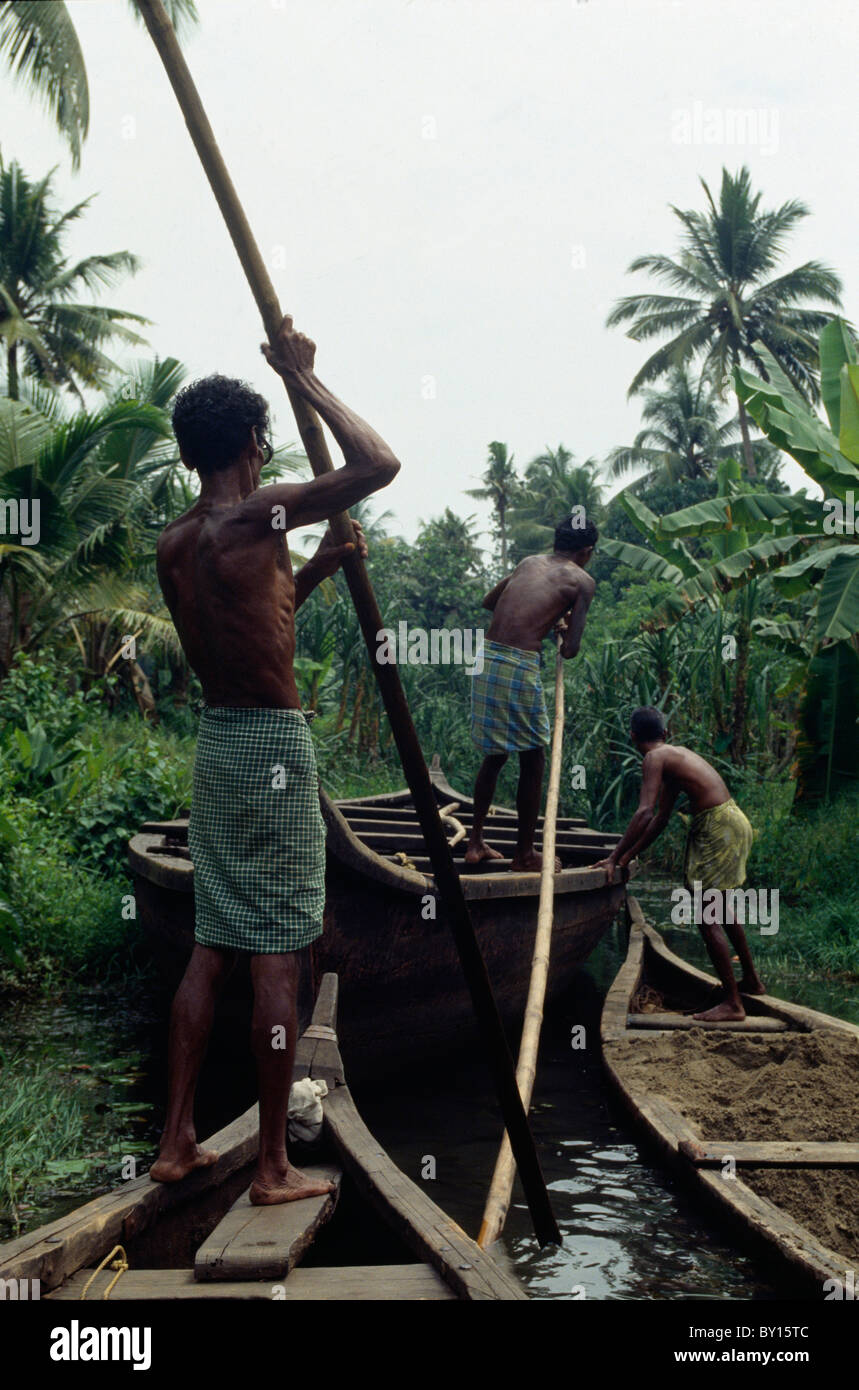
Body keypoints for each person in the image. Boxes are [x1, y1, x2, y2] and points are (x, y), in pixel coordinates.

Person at [151, 316, 400, 1202]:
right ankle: (270, 1165)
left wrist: (326, 561)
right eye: (267, 439)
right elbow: (378, 464)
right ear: (256, 444)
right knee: (280, 952)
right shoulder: (260, 511)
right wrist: (308, 381)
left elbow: (256, 615)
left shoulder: (178, 543)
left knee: (213, 941)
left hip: (218, 746)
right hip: (272, 749)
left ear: (190, 457)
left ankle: (177, 1141)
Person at [594, 706, 764, 1022]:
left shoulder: (653, 759)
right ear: (666, 733)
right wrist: (628, 855)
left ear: (633, 737)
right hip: (734, 821)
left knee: (706, 913)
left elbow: (643, 812)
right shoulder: (673, 756)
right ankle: (751, 982)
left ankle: (733, 1004)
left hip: (717, 827)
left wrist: (614, 858)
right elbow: (660, 818)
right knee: (721, 906)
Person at [465, 516, 597, 872]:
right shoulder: (583, 581)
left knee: (495, 754)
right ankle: (523, 854)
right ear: (586, 552)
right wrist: (562, 625)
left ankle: (475, 842)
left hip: (486, 656)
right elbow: (570, 650)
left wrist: (547, 616)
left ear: (557, 542)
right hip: (518, 662)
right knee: (533, 758)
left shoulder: (528, 563)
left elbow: (489, 601)